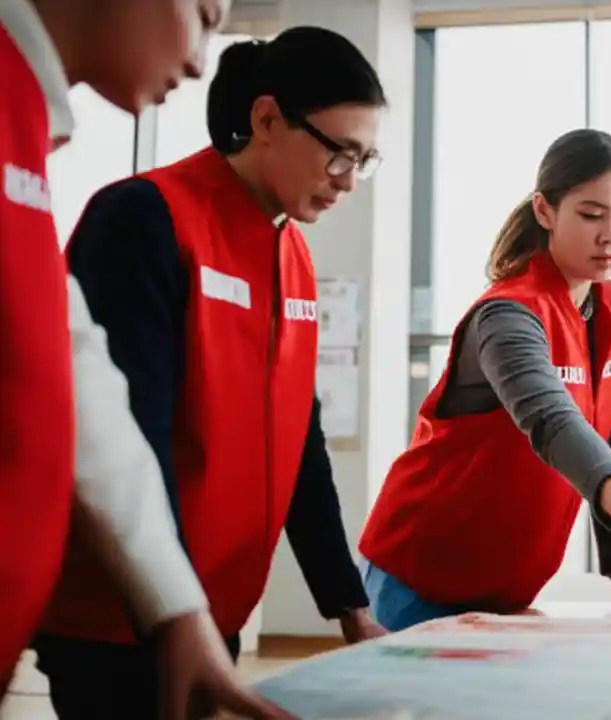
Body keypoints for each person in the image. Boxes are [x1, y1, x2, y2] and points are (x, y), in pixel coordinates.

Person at [34, 27, 390, 718]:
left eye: (365, 160)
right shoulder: (144, 218)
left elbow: (299, 445)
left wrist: (348, 603)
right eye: (339, 153)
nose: (348, 182)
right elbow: (127, 429)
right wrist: (172, 605)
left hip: (212, 608)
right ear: (265, 120)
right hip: (123, 613)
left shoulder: (294, 258)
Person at [0, 0, 286, 717]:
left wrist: (177, 609)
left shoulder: (26, 123)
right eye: (203, 13)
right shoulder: (141, 212)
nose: (199, 59)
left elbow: (80, 381)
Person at [359, 129, 611, 631]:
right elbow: (551, 420)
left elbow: (609, 435)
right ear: (544, 211)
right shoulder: (507, 314)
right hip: (421, 572)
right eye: (591, 214)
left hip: (507, 584)